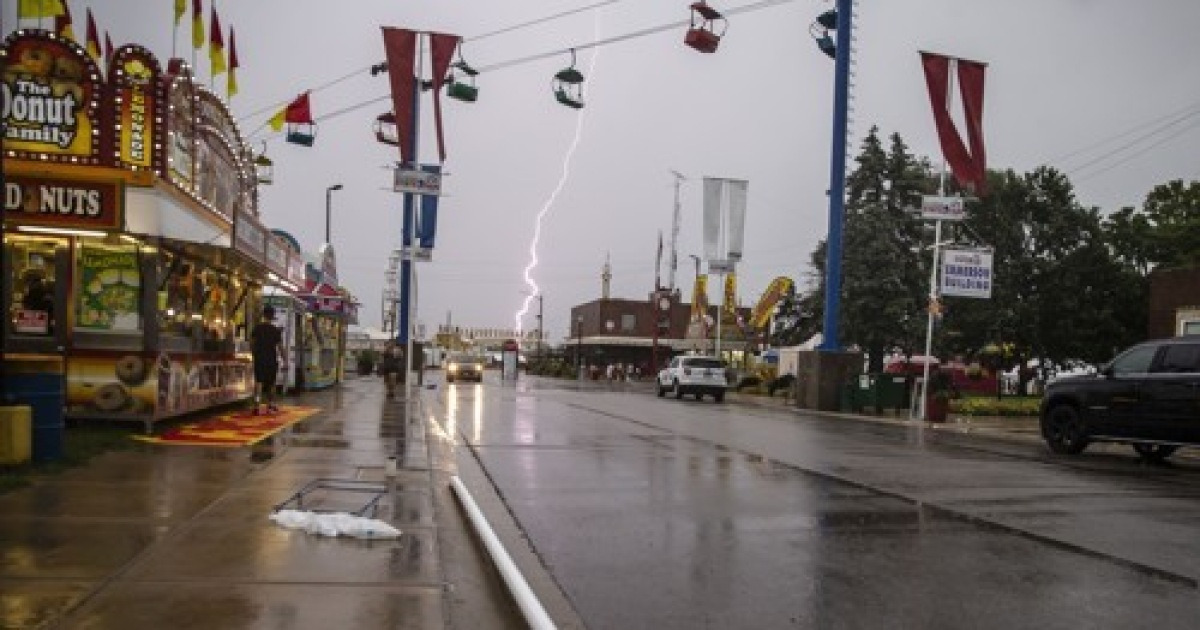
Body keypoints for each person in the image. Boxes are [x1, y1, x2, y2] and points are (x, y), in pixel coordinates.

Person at [250, 305, 286, 415]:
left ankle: (257, 405)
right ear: (272, 316)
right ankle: (271, 404)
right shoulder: (275, 331)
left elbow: (252, 344)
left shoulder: (257, 328)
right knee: (271, 383)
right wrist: (285, 360)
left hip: (259, 359)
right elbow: (280, 347)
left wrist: (254, 354)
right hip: (271, 359)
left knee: (258, 382)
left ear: (263, 315)